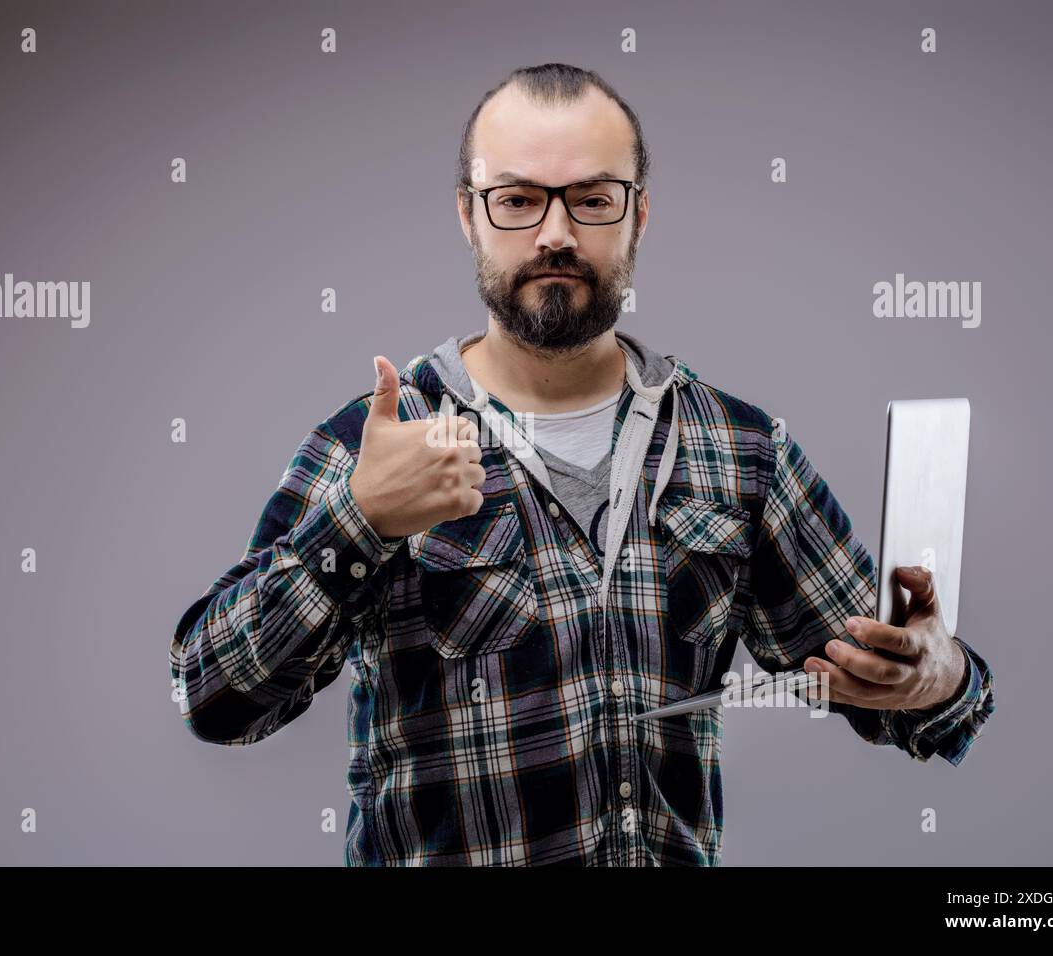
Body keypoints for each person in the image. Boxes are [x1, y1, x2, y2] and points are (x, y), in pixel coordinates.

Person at [169, 63, 995, 866]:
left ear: (638, 215)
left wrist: (936, 674)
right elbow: (210, 698)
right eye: (519, 200)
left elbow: (902, 687)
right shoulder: (376, 443)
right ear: (468, 214)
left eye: (593, 200)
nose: (556, 234)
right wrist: (363, 520)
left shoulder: (739, 449)